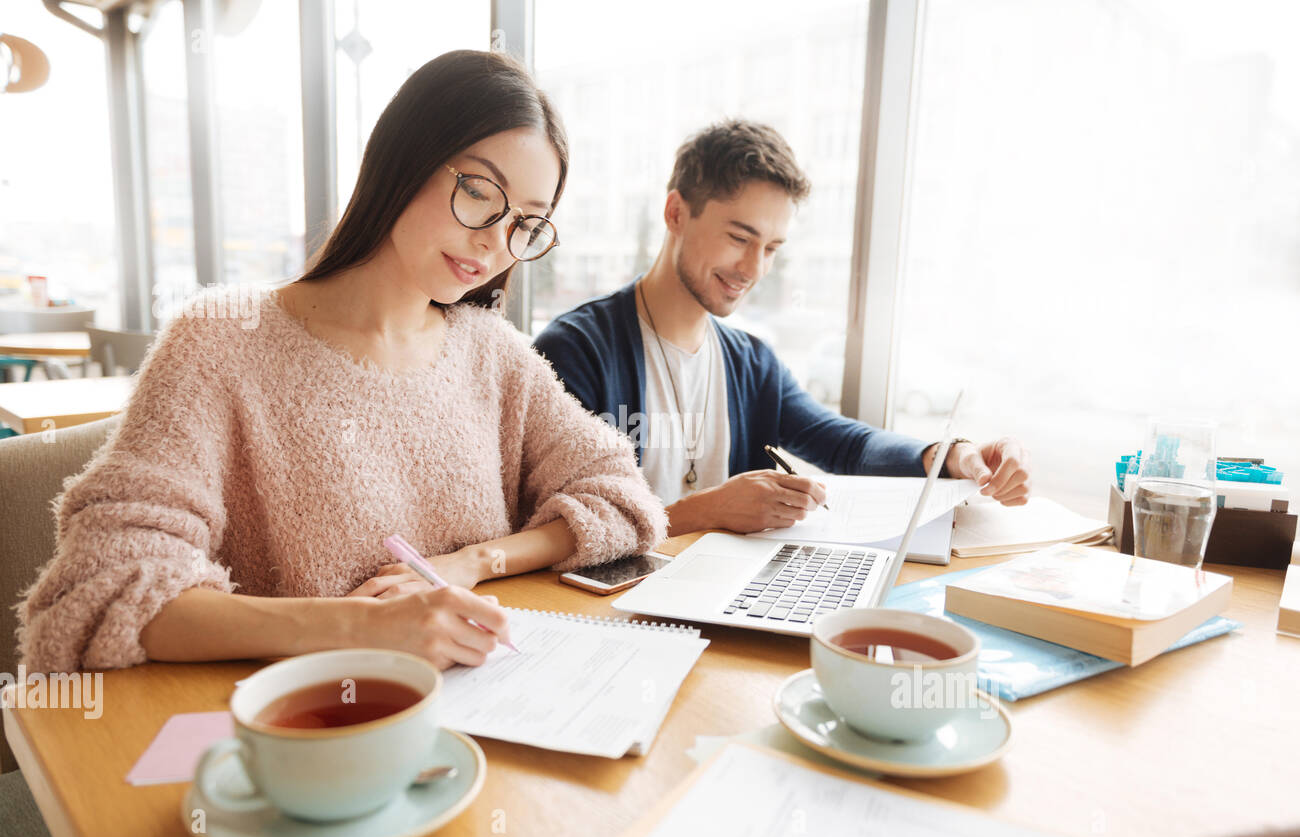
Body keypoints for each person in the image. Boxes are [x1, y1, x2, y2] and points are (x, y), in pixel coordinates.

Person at [17, 50, 665, 675]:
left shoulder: (492, 352)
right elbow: (105, 586)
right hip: (298, 731)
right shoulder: (219, 341)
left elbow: (621, 500)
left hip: (477, 710)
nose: (495, 242)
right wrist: (357, 628)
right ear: (403, 160)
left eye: (527, 223)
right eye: (479, 191)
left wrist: (473, 561)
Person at [533, 120, 1032, 535]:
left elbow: (843, 443)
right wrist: (708, 511)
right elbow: (555, 531)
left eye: (772, 248)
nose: (754, 269)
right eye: (740, 237)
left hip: (720, 604)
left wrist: (951, 456)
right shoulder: (575, 352)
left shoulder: (751, 363)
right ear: (676, 212)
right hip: (609, 615)